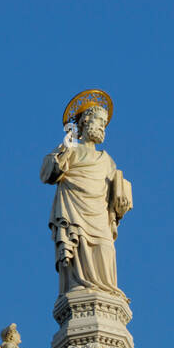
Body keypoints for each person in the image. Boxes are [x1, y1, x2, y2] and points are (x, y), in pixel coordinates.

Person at [40, 102, 131, 295]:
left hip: (100, 217)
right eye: (99, 121)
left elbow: (115, 200)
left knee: (106, 249)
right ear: (85, 120)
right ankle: (78, 289)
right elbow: (48, 173)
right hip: (74, 212)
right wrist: (65, 146)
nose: (102, 127)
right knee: (78, 251)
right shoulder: (70, 150)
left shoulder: (107, 161)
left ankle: (105, 292)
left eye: (105, 124)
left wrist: (121, 204)